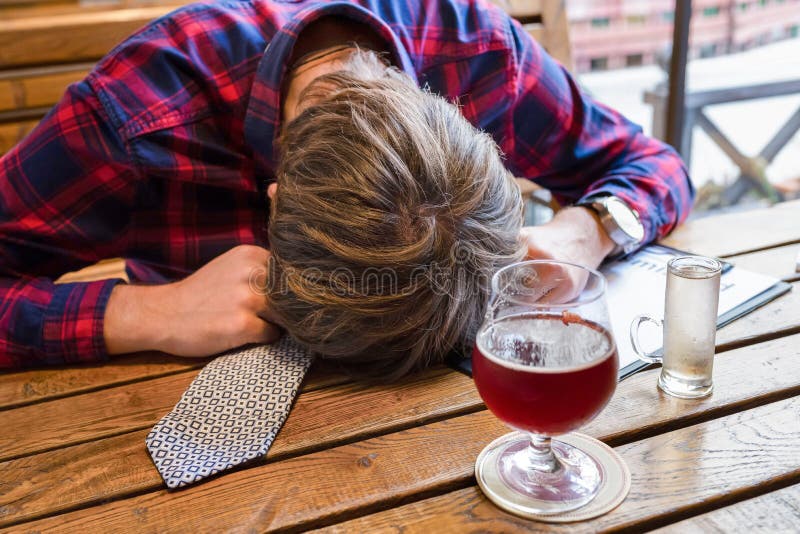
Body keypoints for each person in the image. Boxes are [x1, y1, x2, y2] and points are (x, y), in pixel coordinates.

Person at [0, 0, 693, 377]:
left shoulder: (478, 54)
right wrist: (149, 315)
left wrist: (589, 229)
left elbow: (652, 163)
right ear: (273, 197)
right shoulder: (139, 115)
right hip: (176, 393)